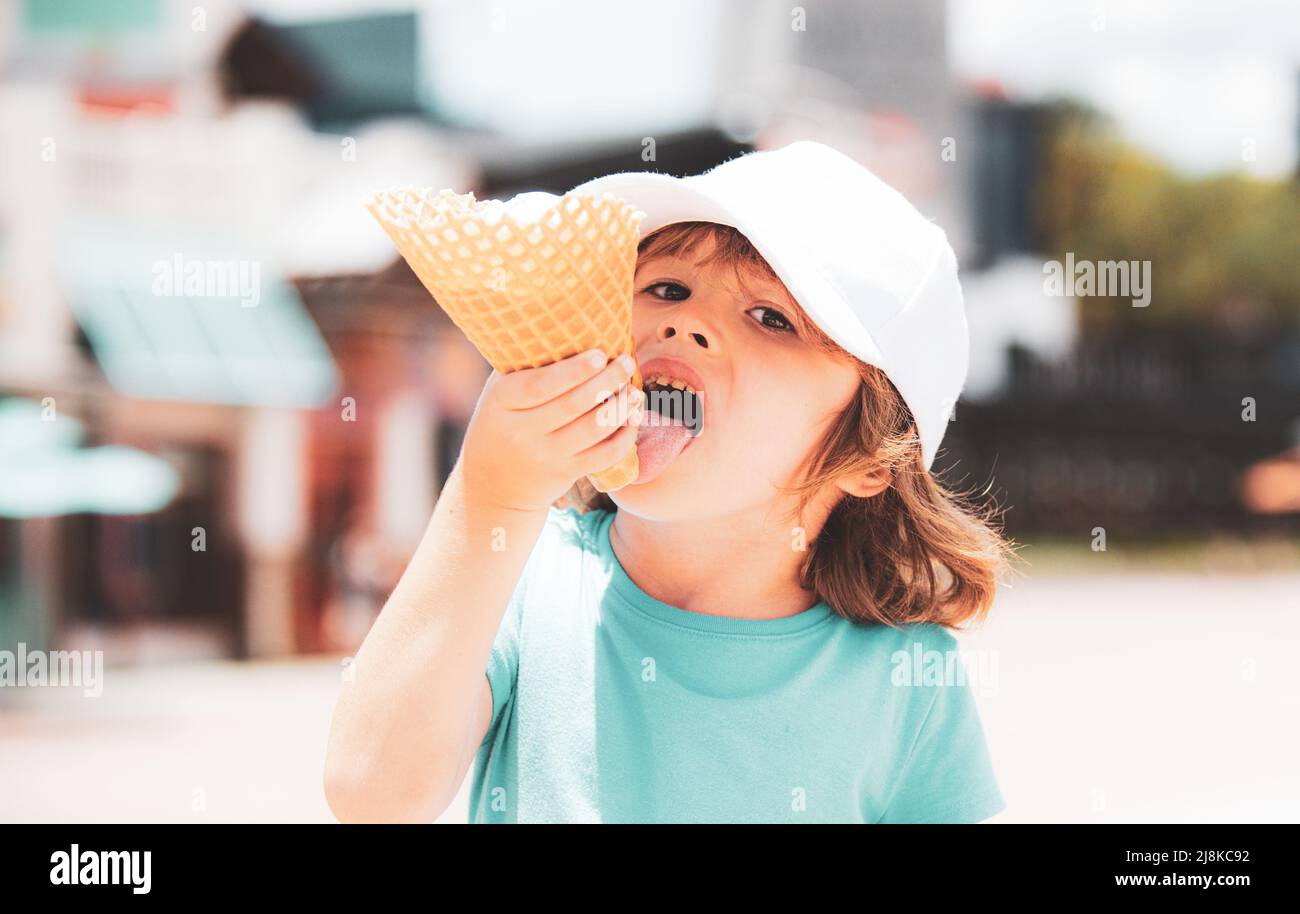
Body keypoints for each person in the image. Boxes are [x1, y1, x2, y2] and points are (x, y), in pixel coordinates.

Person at [324, 140, 1019, 823]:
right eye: (665, 287)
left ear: (872, 459)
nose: (686, 322)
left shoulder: (907, 679)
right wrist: (488, 496)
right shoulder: (525, 581)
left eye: (772, 317)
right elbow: (370, 796)